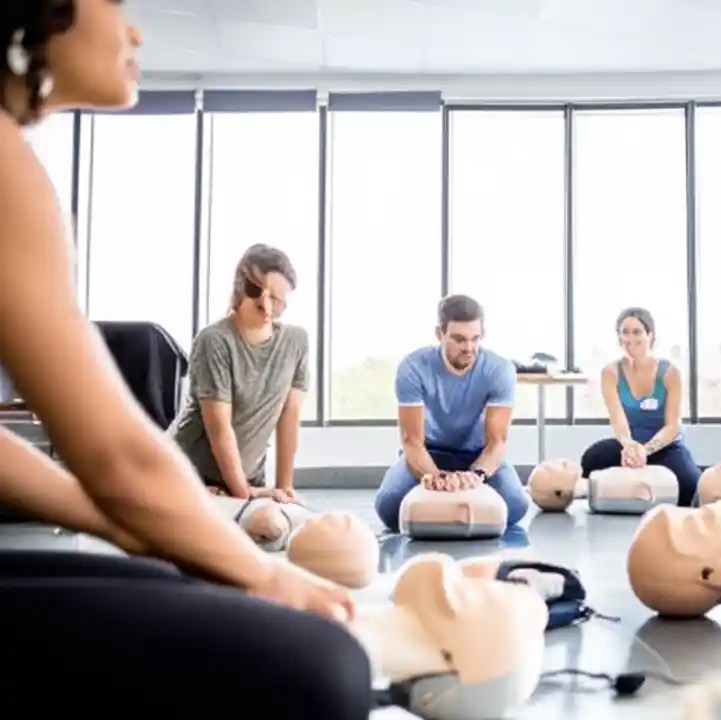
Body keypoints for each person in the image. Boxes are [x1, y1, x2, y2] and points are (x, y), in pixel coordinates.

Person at [0, 2, 369, 717]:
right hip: (202, 478)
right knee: (322, 665)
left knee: (185, 584)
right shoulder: (8, 172)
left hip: (214, 493)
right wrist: (264, 576)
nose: (135, 31)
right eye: (113, 4)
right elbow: (121, 459)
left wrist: (116, 523)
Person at [373, 294, 529, 531]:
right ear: (440, 334)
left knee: (515, 506)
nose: (468, 348)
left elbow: (497, 442)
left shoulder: (500, 370)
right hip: (429, 452)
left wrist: (476, 476)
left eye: (475, 339)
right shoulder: (412, 368)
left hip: (477, 454)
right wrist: (438, 479)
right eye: (458, 339)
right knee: (390, 507)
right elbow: (412, 442)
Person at [171, 244, 308, 504]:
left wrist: (284, 490)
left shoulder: (296, 342)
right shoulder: (214, 341)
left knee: (280, 527)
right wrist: (243, 496)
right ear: (241, 285)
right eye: (260, 295)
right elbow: (219, 428)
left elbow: (289, 416)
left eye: (278, 301)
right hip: (187, 475)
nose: (268, 308)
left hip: (249, 481)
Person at [579, 307, 700, 507]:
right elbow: (618, 421)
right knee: (592, 459)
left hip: (665, 446)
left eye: (637, 332)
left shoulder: (670, 373)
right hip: (630, 445)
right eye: (624, 332)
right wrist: (629, 446)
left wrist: (647, 449)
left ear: (650, 336)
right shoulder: (611, 372)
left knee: (690, 486)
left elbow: (672, 426)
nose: (630, 338)